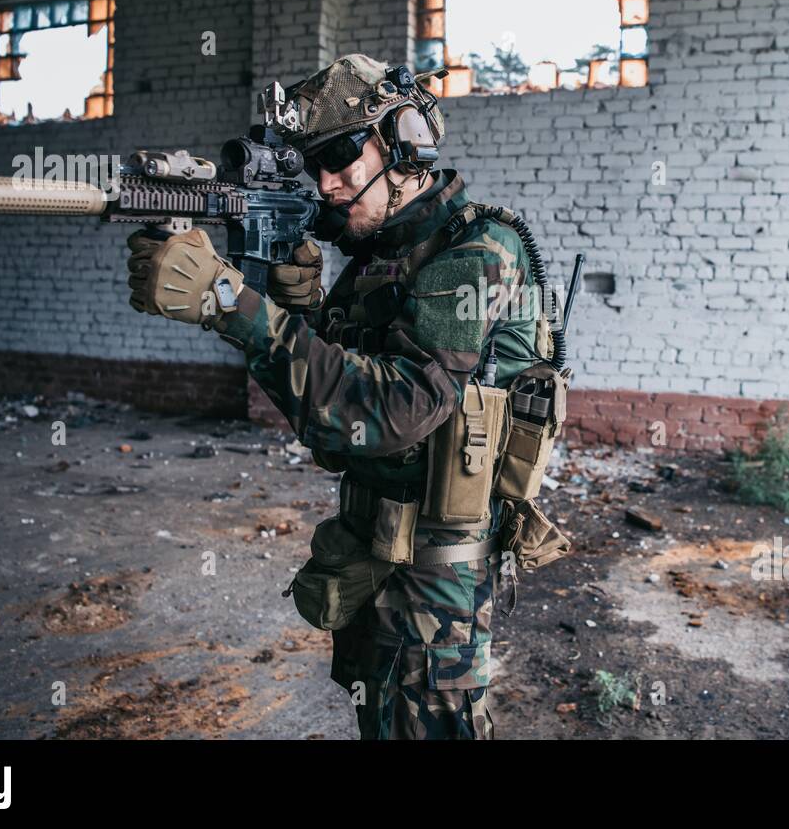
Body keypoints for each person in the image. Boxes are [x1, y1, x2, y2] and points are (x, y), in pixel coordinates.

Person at [125, 54, 542, 739]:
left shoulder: (478, 252)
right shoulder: (380, 257)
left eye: (341, 157)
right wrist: (296, 310)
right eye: (313, 165)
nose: (325, 183)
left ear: (406, 143)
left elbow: (394, 412)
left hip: (437, 570)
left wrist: (231, 303)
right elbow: (329, 409)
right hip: (375, 543)